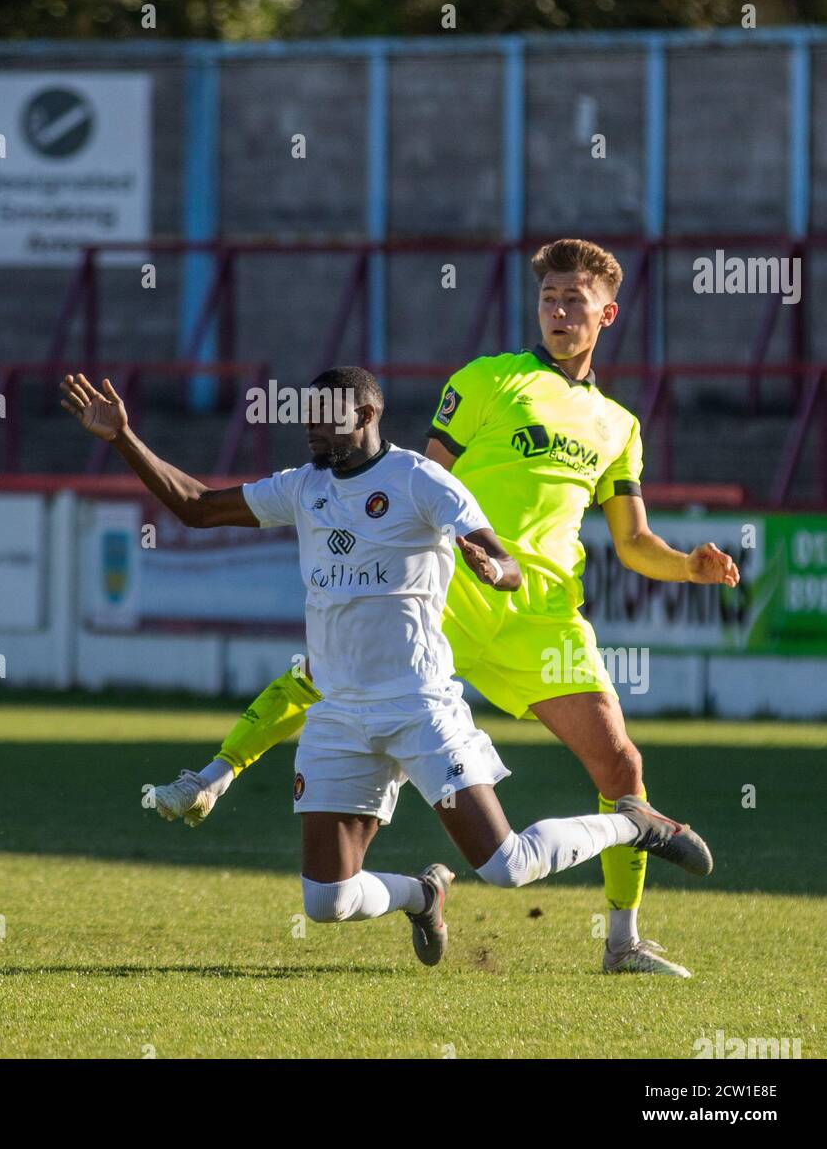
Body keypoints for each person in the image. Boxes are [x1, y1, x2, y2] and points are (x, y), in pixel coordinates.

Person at [154, 238, 738, 977]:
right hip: (459, 588)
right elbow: (423, 481)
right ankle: (215, 772)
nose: (559, 311)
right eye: (550, 297)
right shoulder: (490, 380)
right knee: (326, 678)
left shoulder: (619, 426)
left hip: (542, 614)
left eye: (574, 301)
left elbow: (634, 541)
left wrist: (688, 564)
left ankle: (622, 942)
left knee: (620, 758)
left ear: (607, 314)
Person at [61, 364, 712, 968]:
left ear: (368, 413)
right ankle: (422, 898)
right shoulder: (302, 487)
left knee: (507, 864)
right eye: (309, 420)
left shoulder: (418, 481)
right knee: (327, 901)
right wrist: (123, 438)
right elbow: (196, 506)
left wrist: (497, 570)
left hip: (421, 708)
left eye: (329, 418)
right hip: (340, 717)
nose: (316, 430)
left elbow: (502, 558)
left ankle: (632, 822)